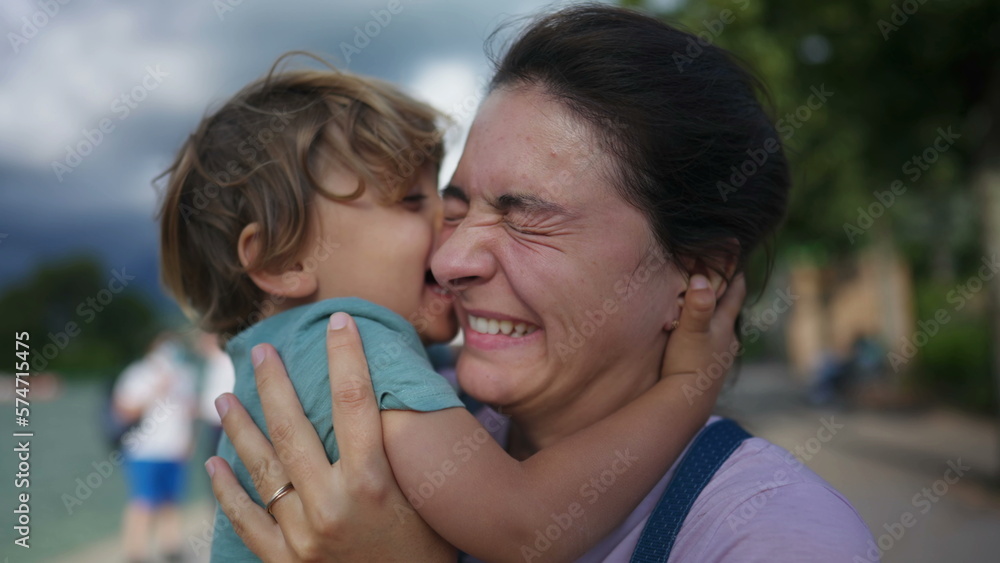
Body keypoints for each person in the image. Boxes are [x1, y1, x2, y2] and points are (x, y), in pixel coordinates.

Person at [206, 6, 877, 561]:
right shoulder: (406, 434)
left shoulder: (768, 536)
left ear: (698, 271)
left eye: (526, 216)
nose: (450, 259)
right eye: (455, 205)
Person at [159, 53, 740, 562]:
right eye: (411, 200)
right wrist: (686, 386)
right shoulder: (350, 341)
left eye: (440, 193)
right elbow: (525, 525)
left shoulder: (278, 358)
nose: (449, 226)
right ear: (282, 262)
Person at [113, 332, 197, 563]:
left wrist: (189, 441)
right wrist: (156, 390)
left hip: (175, 450)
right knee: (143, 501)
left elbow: (189, 412)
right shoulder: (137, 374)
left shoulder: (185, 374)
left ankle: (171, 548)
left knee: (171, 501)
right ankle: (135, 553)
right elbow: (123, 412)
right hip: (144, 450)